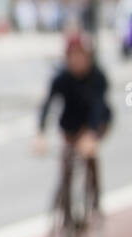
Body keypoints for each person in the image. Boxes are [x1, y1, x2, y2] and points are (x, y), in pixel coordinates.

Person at [33, 30, 111, 213]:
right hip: (71, 123)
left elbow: (98, 107)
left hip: (96, 122)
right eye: (72, 55)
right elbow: (48, 104)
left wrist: (91, 135)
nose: (76, 60)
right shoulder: (61, 79)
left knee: (89, 155)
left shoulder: (97, 78)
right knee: (67, 162)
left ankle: (95, 201)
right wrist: (41, 133)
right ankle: (67, 211)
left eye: (80, 55)